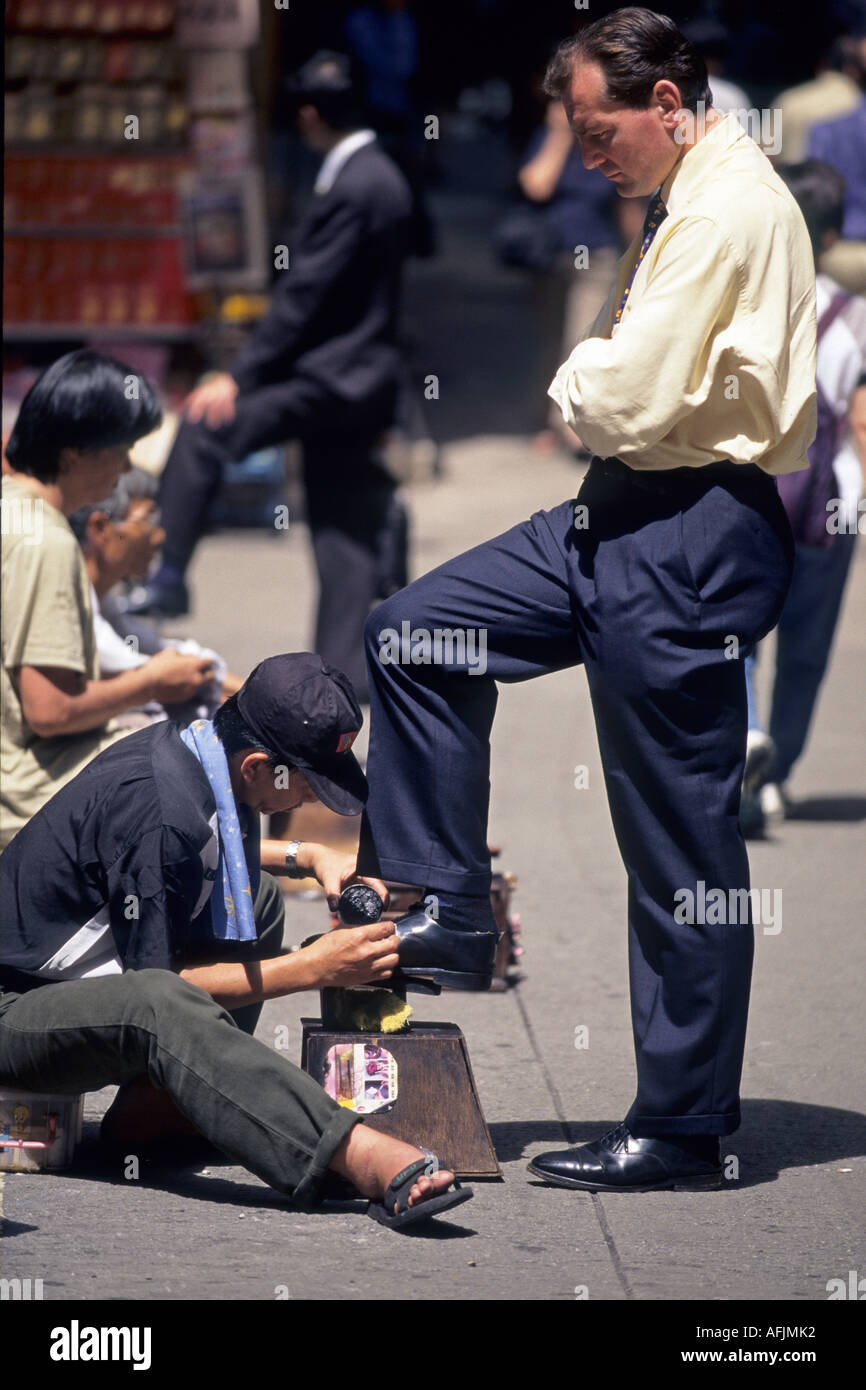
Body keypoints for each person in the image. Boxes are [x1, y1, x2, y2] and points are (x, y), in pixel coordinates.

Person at [355, 7, 816, 1191]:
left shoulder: (723, 207)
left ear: (665, 105)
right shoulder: (681, 188)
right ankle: (449, 904)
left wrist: (572, 374)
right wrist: (600, 377)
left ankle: (678, 1121)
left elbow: (615, 396)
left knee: (679, 848)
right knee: (413, 629)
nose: (589, 150)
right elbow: (622, 399)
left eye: (598, 128)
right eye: (575, 130)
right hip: (617, 510)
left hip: (691, 530)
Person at [0, 653, 470, 1227]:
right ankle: (353, 1154)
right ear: (256, 766)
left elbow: (204, 846)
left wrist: (308, 854)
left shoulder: (197, 752)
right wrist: (312, 968)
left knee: (260, 896)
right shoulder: (159, 808)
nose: (314, 801)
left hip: (65, 1000)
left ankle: (154, 1116)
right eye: (307, 784)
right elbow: (157, 987)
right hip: (15, 1014)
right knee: (156, 1005)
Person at [130, 51, 413, 702]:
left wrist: (239, 376)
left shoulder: (356, 182)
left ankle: (167, 569)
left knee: (205, 425)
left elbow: (303, 298)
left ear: (310, 115)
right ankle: (345, 679)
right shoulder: (383, 176)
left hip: (329, 383)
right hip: (361, 383)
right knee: (341, 528)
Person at [0, 351, 214, 853]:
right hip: (27, 796)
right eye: (121, 451)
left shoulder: (11, 510)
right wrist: (152, 681)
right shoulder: (45, 543)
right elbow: (50, 711)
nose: (124, 468)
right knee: (204, 763)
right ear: (77, 452)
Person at [742, 161, 866, 828]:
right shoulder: (855, 317)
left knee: (740, 637)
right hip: (832, 505)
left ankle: (747, 741)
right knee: (807, 648)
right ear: (831, 233)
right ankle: (776, 775)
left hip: (749, 497)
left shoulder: (744, 303)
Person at [67, 467, 241, 728]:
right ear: (101, 528)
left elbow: (162, 650)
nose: (159, 536)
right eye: (148, 520)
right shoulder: (71, 598)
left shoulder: (103, 601)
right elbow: (139, 666)